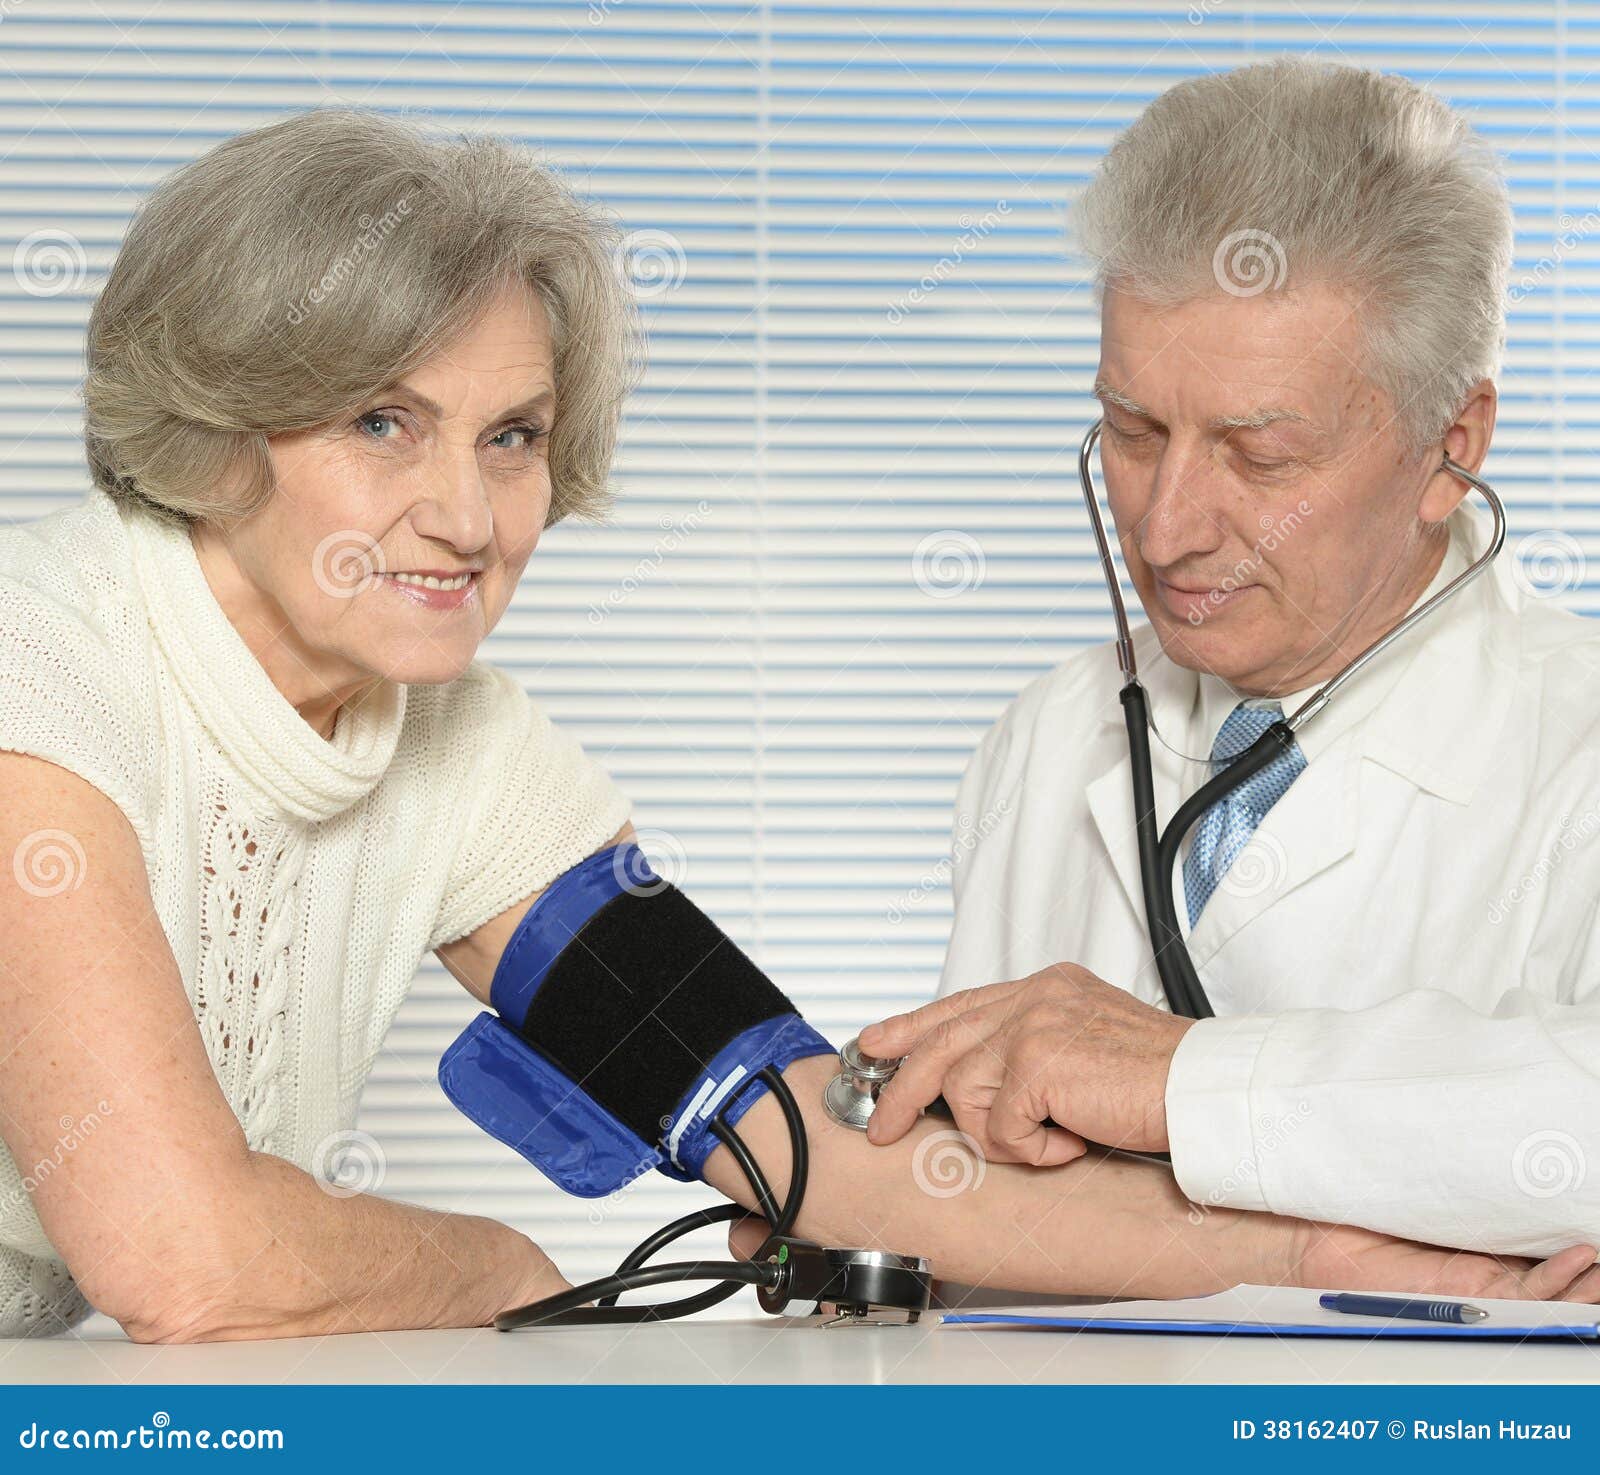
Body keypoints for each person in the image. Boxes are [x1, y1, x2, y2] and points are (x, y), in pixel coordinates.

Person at [2, 105, 1596, 1346]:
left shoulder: (459, 750)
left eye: (514, 436)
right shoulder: (44, 660)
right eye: (380, 422)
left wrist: (1329, 1253)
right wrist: (498, 1263)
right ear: (216, 422)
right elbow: (186, 1256)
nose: (468, 514)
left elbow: (807, 1139)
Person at [860, 56, 1600, 1261]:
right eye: (1133, 431)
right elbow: (982, 1213)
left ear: (1448, 444)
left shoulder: (1577, 743)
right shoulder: (1049, 736)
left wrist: (1184, 1081)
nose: (1165, 527)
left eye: (1258, 456)